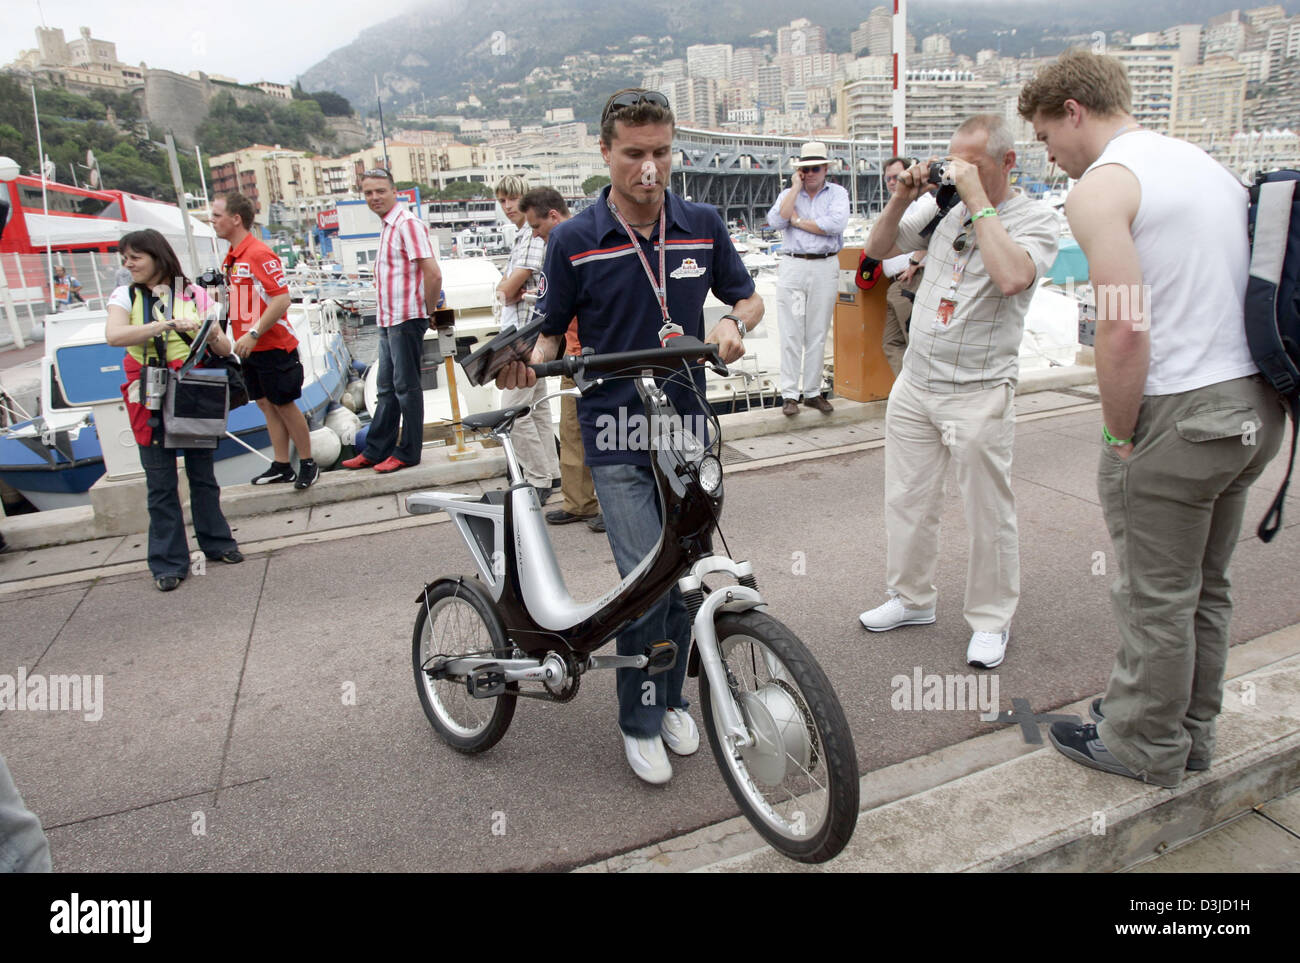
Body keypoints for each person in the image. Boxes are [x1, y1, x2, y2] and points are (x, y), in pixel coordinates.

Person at [1019, 50, 1286, 787]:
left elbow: (1125, 325)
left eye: (1046, 136)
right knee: (1207, 583)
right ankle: (1190, 731)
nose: (1050, 155)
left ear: (1074, 109)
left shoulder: (1103, 188)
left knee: (1154, 593)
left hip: (1183, 411)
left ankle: (1142, 743)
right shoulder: (1202, 165)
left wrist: (1118, 430)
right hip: (1255, 406)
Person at [496, 88, 762, 784]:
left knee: (685, 577)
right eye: (635, 154)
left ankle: (672, 694)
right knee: (644, 582)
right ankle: (639, 717)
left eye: (662, 152)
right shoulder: (575, 241)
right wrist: (531, 365)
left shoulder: (702, 223)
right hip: (614, 433)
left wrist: (736, 322)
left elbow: (747, 294)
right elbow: (552, 332)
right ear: (606, 153)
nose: (651, 167)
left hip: (688, 434)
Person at [858, 115, 1060, 670]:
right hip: (917, 383)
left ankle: (992, 620)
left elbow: (1012, 277)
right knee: (907, 498)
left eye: (972, 164)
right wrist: (903, 197)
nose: (959, 173)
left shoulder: (1036, 220)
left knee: (987, 511)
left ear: (1008, 163)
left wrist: (979, 200)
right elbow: (875, 251)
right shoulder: (943, 208)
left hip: (977, 391)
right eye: (955, 161)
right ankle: (912, 598)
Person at [105, 229, 243, 592]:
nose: (128, 264)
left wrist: (211, 332)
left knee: (203, 476)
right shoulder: (125, 295)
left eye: (135, 257)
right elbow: (115, 335)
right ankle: (168, 562)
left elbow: (225, 345)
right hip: (146, 393)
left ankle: (217, 542)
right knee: (161, 483)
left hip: (191, 390)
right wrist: (165, 324)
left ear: (157, 256)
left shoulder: (192, 294)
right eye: (126, 258)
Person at [210, 192, 319, 490]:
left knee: (284, 404)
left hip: (272, 345)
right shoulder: (231, 258)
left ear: (236, 219)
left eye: (217, 215)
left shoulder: (258, 253)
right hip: (249, 348)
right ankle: (282, 464)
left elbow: (281, 299)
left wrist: (254, 332)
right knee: (264, 404)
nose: (213, 220)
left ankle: (308, 462)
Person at [341, 169, 442, 473]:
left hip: (406, 318)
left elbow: (433, 272)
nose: (374, 197)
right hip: (387, 319)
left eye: (380, 191)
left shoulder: (406, 224)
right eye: (368, 192)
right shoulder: (388, 226)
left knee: (405, 388)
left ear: (394, 191)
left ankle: (408, 452)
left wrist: (427, 310)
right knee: (385, 388)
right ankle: (376, 449)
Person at [519, 186, 604, 533]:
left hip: (595, 355)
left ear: (553, 216)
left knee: (606, 435)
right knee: (571, 432)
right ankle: (579, 503)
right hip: (572, 355)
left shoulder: (579, 240)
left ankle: (615, 504)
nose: (536, 236)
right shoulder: (562, 245)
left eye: (537, 228)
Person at [766, 141, 850, 415]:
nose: (810, 173)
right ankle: (790, 394)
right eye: (805, 169)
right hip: (794, 263)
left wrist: (799, 221)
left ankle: (812, 391)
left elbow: (834, 225)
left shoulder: (837, 194)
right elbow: (777, 220)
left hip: (824, 264)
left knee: (817, 331)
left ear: (825, 169)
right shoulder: (790, 193)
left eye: (815, 168)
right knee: (791, 331)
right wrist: (795, 189)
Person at [495, 175, 561, 500]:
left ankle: (538, 478)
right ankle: (551, 471)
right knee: (537, 409)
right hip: (530, 332)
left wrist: (507, 288)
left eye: (513, 200)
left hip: (526, 336)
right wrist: (508, 288)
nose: (508, 207)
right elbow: (508, 289)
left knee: (513, 411)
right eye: (502, 200)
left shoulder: (532, 238)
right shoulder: (524, 236)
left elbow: (507, 289)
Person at [879, 157, 927, 377]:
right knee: (891, 342)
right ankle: (907, 390)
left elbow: (934, 232)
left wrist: (915, 263)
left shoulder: (923, 202)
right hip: (895, 283)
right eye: (888, 178)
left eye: (895, 177)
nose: (891, 182)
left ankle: (920, 394)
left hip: (912, 280)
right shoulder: (898, 205)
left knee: (914, 343)